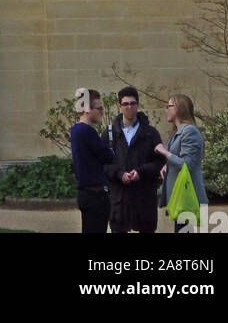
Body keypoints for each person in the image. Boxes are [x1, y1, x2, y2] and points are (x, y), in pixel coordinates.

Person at [104, 86, 163, 233]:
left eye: (132, 103)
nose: (129, 107)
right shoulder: (110, 133)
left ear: (138, 104)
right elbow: (103, 164)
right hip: (119, 200)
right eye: (125, 104)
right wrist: (119, 174)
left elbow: (159, 163)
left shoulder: (150, 133)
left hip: (144, 199)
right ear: (119, 106)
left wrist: (141, 172)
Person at [156, 93, 208, 232]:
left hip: (188, 197)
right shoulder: (178, 132)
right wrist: (167, 165)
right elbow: (181, 157)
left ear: (180, 108)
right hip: (181, 198)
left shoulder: (189, 131)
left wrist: (164, 152)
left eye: (169, 106)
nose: (166, 109)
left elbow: (188, 164)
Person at [70, 89, 114, 233]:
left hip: (87, 193)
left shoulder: (76, 130)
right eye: (99, 108)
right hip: (95, 194)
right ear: (87, 109)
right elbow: (108, 156)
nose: (102, 112)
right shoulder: (87, 131)